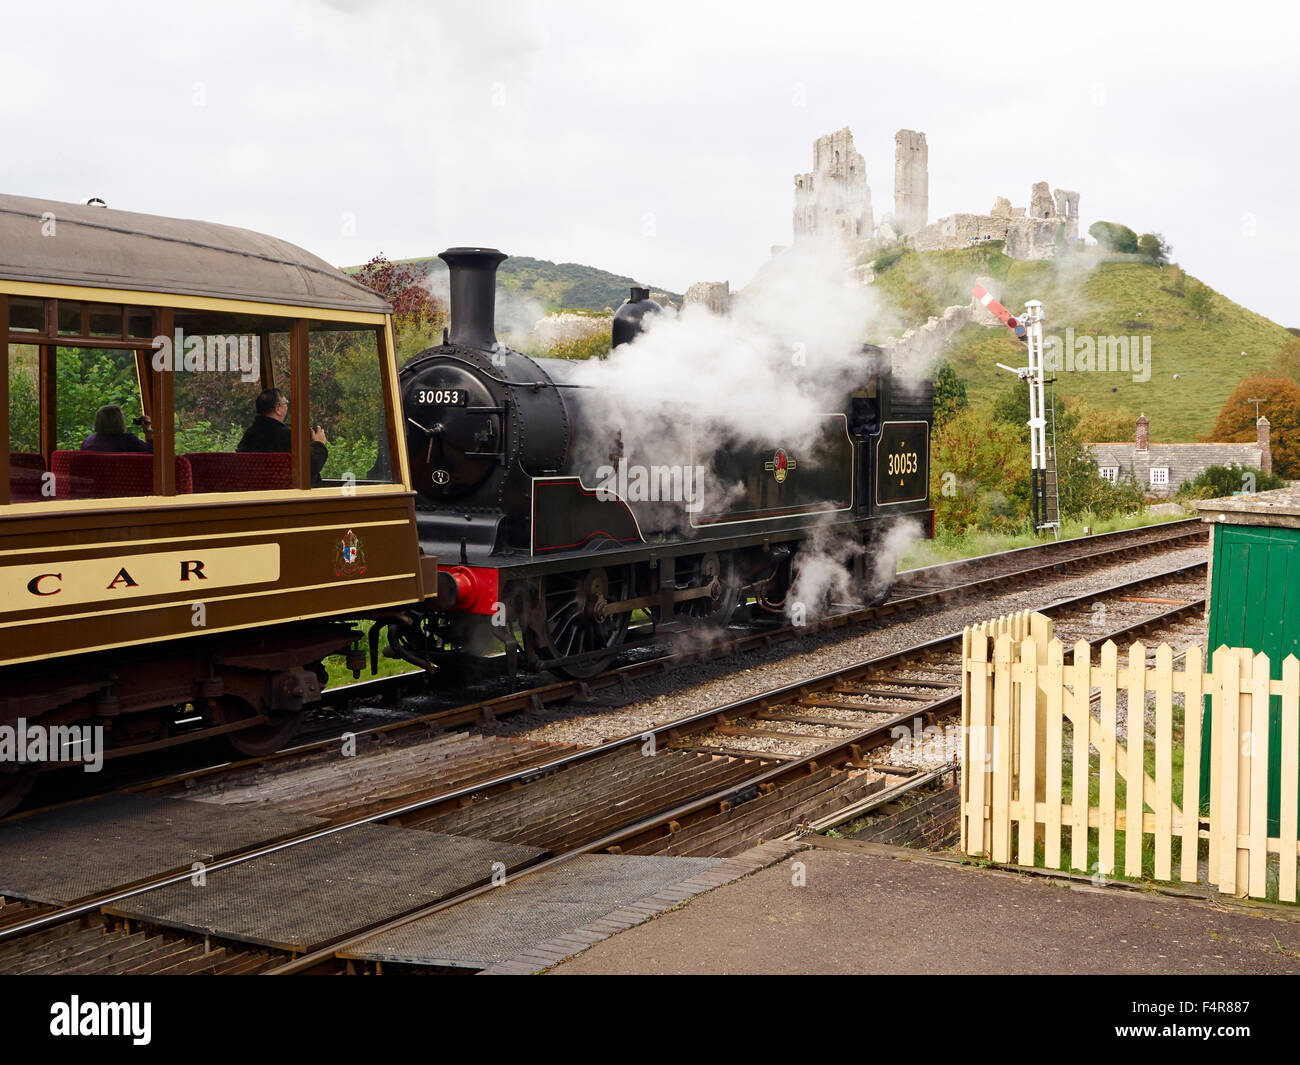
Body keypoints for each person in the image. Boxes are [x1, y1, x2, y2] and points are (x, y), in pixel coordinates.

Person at [237, 388, 328, 484]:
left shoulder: (249, 435)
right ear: (278, 409)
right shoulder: (285, 437)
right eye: (286, 404)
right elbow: (307, 468)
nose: (287, 407)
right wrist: (319, 444)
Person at [81, 404, 152, 452]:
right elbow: (152, 453)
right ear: (120, 421)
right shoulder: (128, 441)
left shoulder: (89, 441)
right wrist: (147, 430)